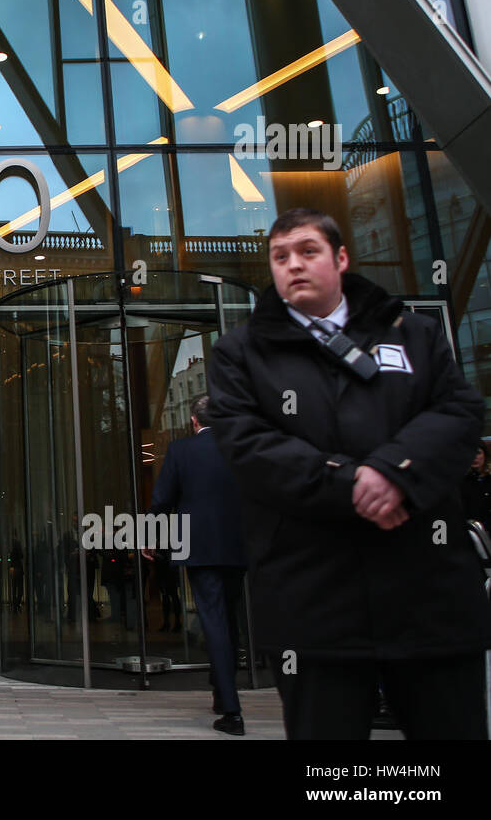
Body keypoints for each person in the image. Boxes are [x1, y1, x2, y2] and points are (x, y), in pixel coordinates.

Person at [206, 207, 491, 740]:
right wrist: (352, 483)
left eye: (308, 251)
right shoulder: (239, 353)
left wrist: (394, 473)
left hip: (428, 596)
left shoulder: (415, 334)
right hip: (314, 605)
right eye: (280, 256)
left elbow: (458, 413)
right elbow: (249, 447)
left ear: (340, 258)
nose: (294, 265)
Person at [145, 394, 248, 735]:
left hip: (199, 545)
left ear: (194, 421)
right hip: (237, 546)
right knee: (230, 619)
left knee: (214, 620)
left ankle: (231, 710)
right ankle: (222, 690)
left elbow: (162, 501)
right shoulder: (240, 449)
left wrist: (150, 535)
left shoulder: (181, 451)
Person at [461, 439, 491, 530]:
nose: (474, 457)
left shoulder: (489, 478)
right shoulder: (462, 482)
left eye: (478, 453)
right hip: (473, 532)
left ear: (485, 455)